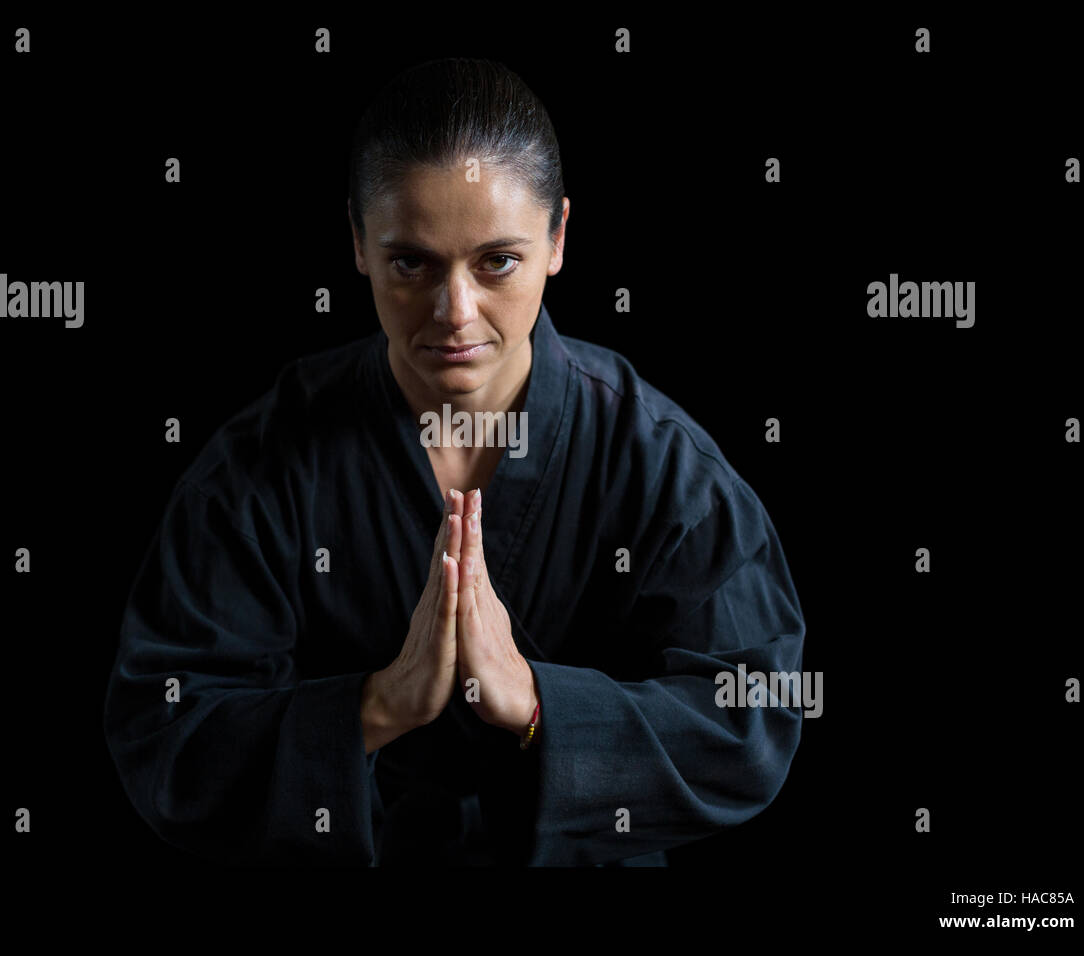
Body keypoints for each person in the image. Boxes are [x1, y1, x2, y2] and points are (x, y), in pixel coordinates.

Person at [103, 57, 806, 866]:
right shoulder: (262, 466)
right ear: (359, 245)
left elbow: (756, 715)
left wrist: (536, 700)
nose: (454, 312)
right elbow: (163, 729)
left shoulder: (660, 464)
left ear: (558, 239)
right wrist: (375, 708)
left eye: (496, 261)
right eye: (413, 263)